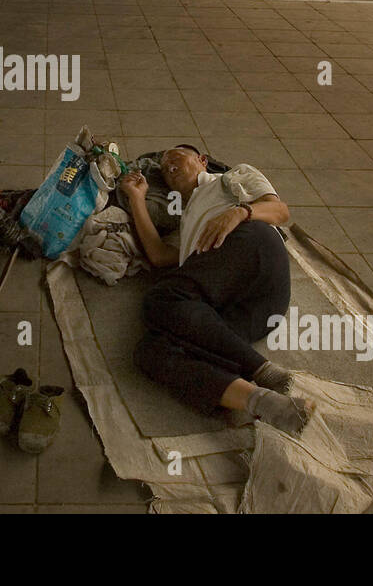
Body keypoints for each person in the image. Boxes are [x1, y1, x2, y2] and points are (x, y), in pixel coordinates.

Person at [118, 146, 316, 437]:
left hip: (257, 252)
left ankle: (265, 372)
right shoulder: (187, 221)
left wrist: (239, 212)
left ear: (202, 161)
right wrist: (137, 199)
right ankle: (267, 404)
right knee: (151, 351)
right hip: (241, 307)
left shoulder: (231, 178)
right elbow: (159, 256)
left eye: (175, 157)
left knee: (160, 298)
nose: (167, 165)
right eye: (162, 166)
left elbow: (280, 211)